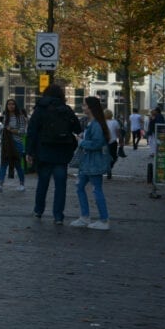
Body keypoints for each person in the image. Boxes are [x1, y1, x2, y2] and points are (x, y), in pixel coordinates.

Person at [26, 83, 81, 225]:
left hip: (44, 151)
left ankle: (38, 210)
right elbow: (77, 128)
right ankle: (58, 216)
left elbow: (31, 131)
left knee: (42, 183)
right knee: (60, 185)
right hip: (62, 152)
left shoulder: (40, 109)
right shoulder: (66, 109)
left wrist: (29, 151)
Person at [71, 96, 111, 230]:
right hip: (88, 163)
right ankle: (85, 216)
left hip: (93, 163)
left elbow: (97, 143)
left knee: (96, 189)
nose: (82, 107)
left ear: (91, 107)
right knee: (80, 187)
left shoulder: (96, 124)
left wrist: (81, 141)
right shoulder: (92, 123)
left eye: (84, 105)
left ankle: (103, 220)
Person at [0, 99, 27, 192]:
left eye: (13, 104)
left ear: (15, 105)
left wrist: (12, 130)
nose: (11, 106)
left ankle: (22, 183)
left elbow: (23, 131)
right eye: (9, 104)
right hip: (7, 144)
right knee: (4, 163)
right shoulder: (5, 117)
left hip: (17, 144)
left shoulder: (20, 117)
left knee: (17, 164)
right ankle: (0, 183)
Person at [104, 109, 122, 179]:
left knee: (105, 157)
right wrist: (121, 141)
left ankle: (108, 168)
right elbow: (118, 133)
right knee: (114, 157)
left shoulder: (102, 122)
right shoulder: (115, 122)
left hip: (104, 142)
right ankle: (109, 168)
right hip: (113, 142)